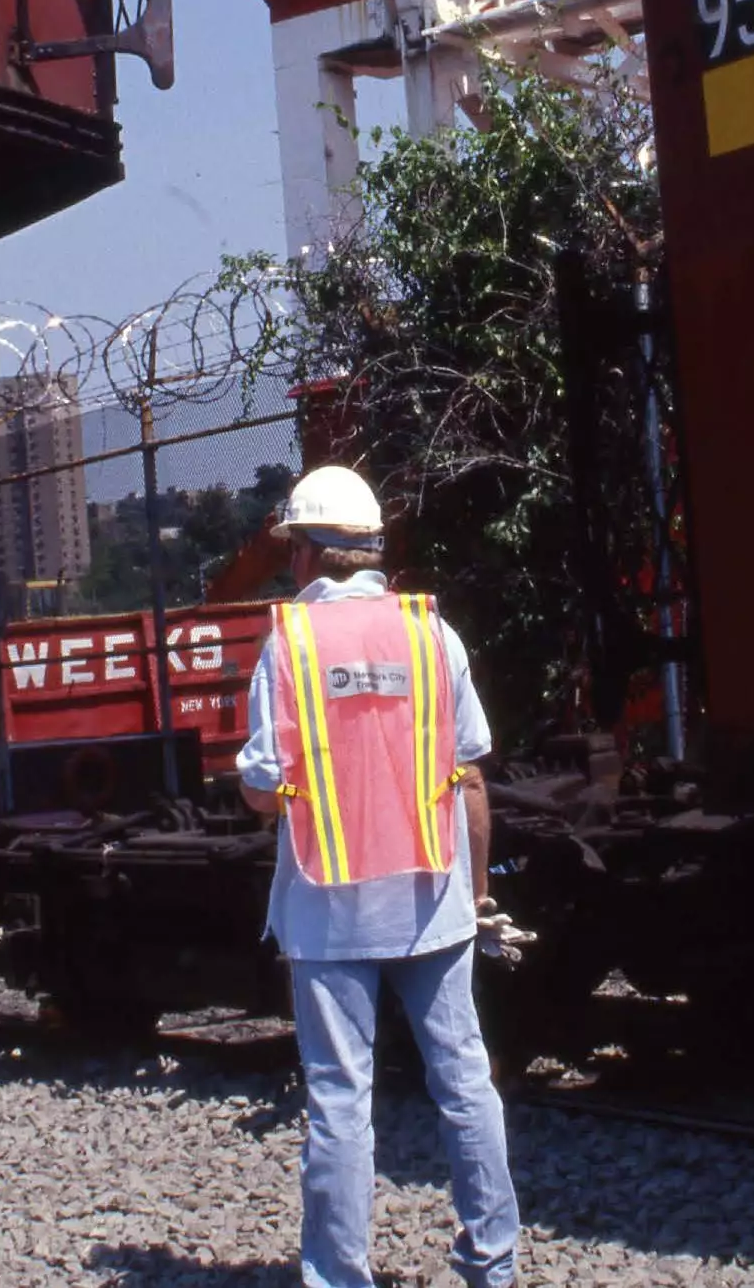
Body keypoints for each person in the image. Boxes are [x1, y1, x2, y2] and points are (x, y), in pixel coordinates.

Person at [237, 465, 518, 1288]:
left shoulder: (286, 644)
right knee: (465, 1081)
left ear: (309, 556)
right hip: (433, 895)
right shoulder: (432, 635)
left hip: (328, 911)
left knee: (338, 1099)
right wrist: (475, 895)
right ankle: (490, 1267)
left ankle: (338, 1278)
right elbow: (468, 775)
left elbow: (261, 791)